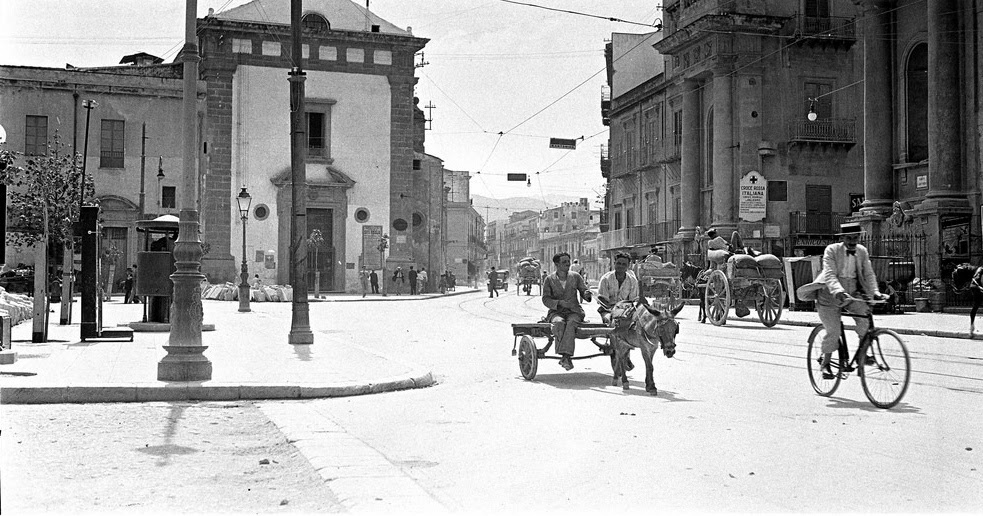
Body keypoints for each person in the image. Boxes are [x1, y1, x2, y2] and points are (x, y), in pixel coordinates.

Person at [797, 222, 887, 380]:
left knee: (865, 319)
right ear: (843, 238)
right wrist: (838, 290)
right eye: (849, 238)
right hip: (829, 293)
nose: (852, 241)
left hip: (852, 292)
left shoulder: (862, 251)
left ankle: (862, 354)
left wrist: (875, 292)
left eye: (855, 238)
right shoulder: (832, 250)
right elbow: (830, 273)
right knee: (834, 331)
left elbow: (869, 274)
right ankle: (825, 363)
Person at [542, 252, 592, 371]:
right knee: (558, 323)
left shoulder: (575, 277)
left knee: (571, 323)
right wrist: (559, 303)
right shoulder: (549, 280)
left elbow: (583, 290)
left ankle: (566, 356)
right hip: (556, 312)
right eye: (564, 262)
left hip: (574, 311)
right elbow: (545, 299)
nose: (567, 264)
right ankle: (565, 355)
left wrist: (587, 294)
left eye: (568, 261)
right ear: (557, 264)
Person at [596, 252, 640, 371]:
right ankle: (618, 354)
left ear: (628, 266)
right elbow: (601, 299)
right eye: (618, 263)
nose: (620, 266)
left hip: (625, 310)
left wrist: (630, 309)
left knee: (632, 326)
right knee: (613, 324)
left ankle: (626, 353)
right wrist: (612, 310)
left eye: (624, 264)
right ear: (614, 263)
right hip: (607, 309)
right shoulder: (606, 278)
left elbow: (634, 299)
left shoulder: (632, 280)